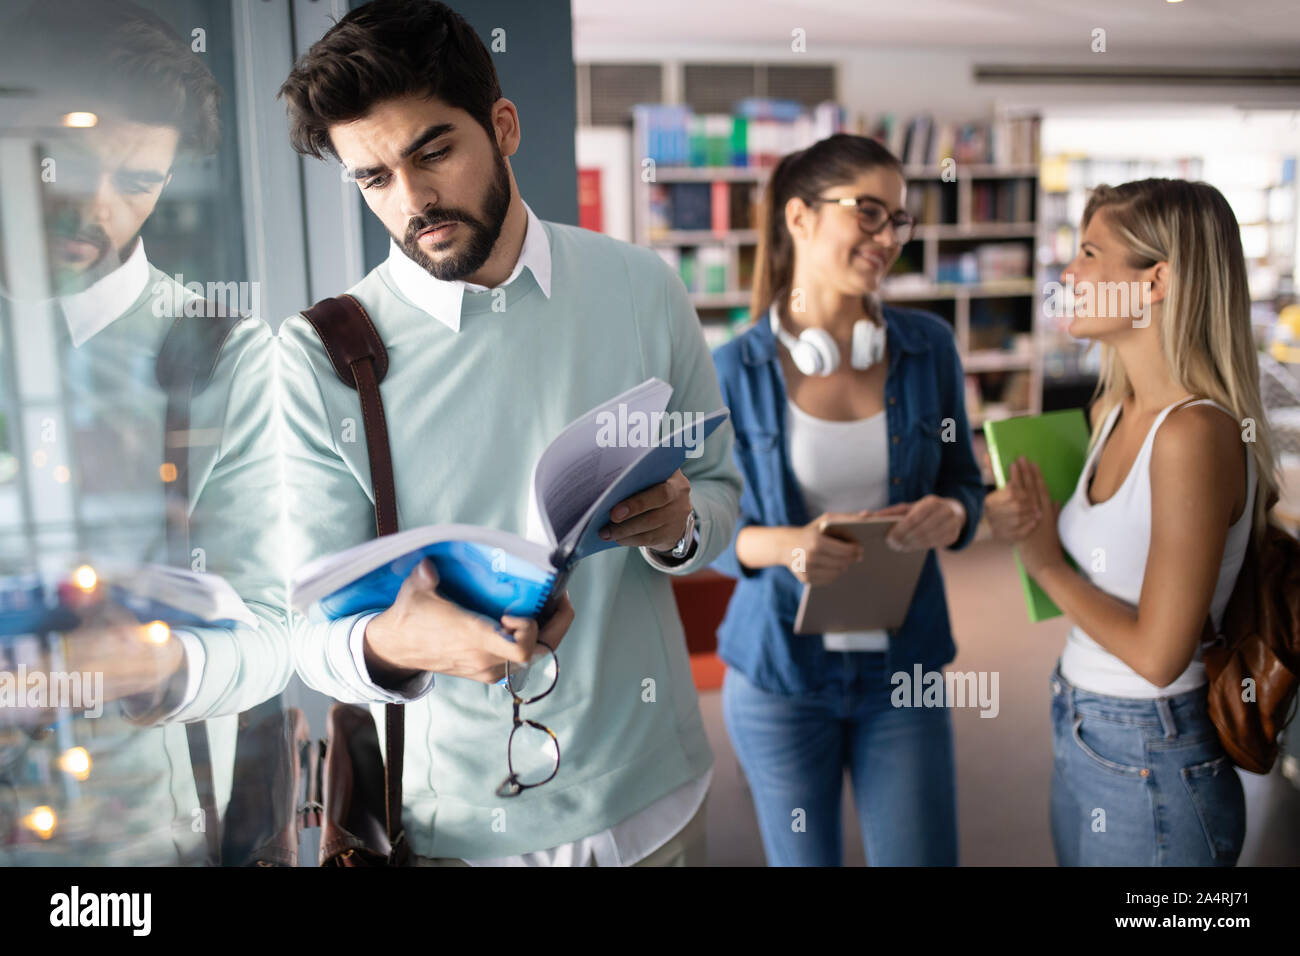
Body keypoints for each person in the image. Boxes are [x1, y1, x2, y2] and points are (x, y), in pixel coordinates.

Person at [276, 0, 741, 866]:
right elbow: (302, 628)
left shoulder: (643, 288)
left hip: (655, 798)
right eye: (374, 178)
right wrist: (389, 642)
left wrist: (680, 528)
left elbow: (721, 495)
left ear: (503, 126)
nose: (413, 201)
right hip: (460, 827)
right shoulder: (319, 355)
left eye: (433, 152)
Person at [0, 0, 291, 865]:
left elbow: (276, 632)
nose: (95, 207)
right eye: (75, 163)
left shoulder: (224, 354)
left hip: (146, 846)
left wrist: (162, 666)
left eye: (138, 182)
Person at [984, 178, 1280, 866]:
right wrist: (1028, 519)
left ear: (1156, 281)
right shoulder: (1110, 411)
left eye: (1089, 252)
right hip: (1084, 719)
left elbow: (1158, 654)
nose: (1068, 272)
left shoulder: (1193, 434)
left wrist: (1045, 561)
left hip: (1154, 746)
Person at [709, 134, 985, 866]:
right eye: (868, 212)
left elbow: (963, 478)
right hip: (780, 676)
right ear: (799, 217)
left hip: (905, 669)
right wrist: (787, 546)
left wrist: (954, 515)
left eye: (899, 219)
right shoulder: (731, 369)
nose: (887, 236)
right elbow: (705, 531)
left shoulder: (928, 348)